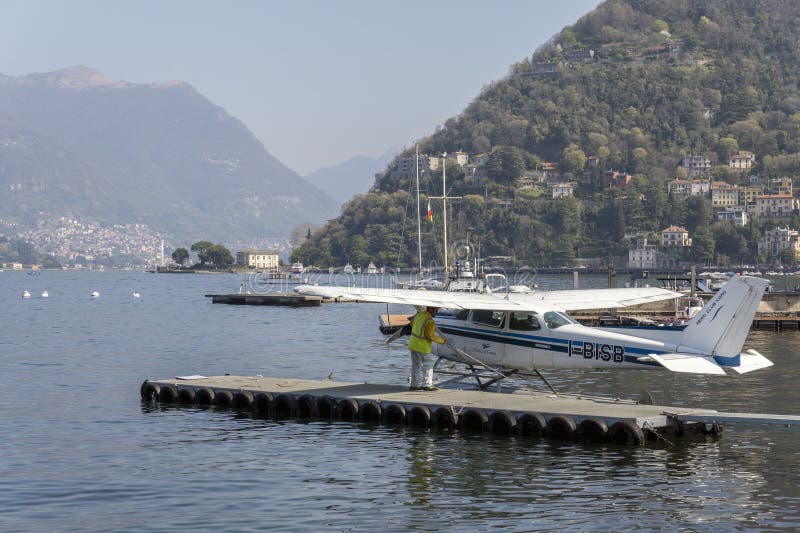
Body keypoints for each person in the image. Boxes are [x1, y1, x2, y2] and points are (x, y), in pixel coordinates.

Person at [408, 306, 446, 390]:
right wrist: (442, 341)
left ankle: (414, 385)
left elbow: (411, 324)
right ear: (431, 309)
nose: (437, 313)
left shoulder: (419, 315)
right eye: (436, 310)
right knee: (428, 365)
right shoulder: (430, 321)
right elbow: (430, 335)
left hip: (413, 344)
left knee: (416, 365)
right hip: (422, 347)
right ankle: (427, 385)